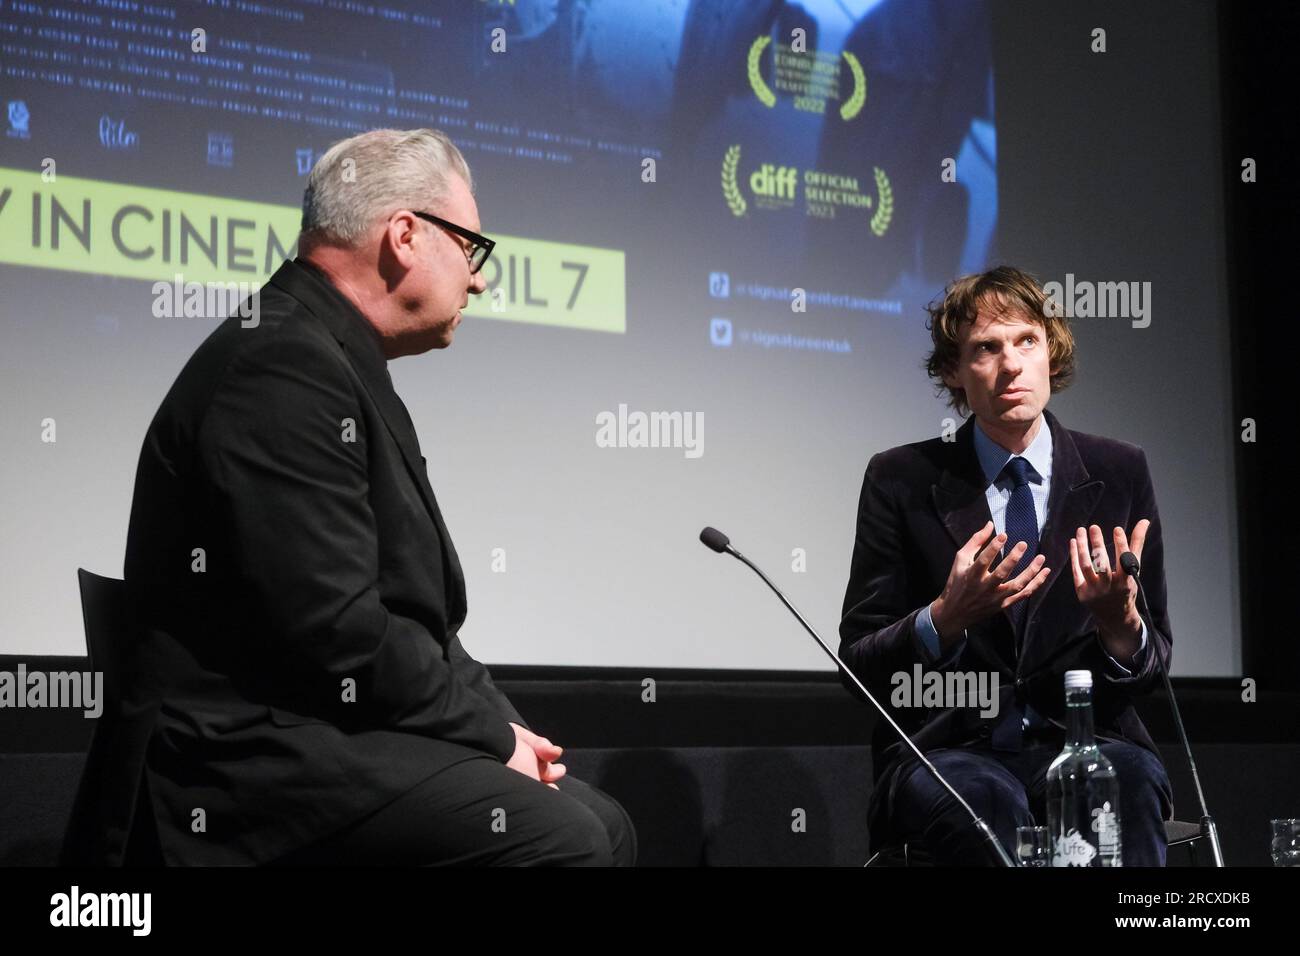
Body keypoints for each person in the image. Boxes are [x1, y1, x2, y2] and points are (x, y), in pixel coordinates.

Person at [118, 128, 635, 866]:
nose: (480, 280)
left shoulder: (327, 356)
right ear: (403, 236)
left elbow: (418, 624)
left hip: (326, 729)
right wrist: (486, 739)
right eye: (471, 250)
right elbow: (338, 628)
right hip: (254, 758)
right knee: (565, 838)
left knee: (601, 820)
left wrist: (511, 733)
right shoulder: (282, 365)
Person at [839, 265, 1173, 865]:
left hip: (1088, 737)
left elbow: (1153, 662)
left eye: (1027, 341)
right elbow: (859, 666)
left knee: (1123, 783)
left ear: (1052, 351)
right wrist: (942, 618)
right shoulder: (901, 479)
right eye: (986, 349)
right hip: (950, 750)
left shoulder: (1120, 471)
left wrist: (1119, 623)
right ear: (953, 371)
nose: (1012, 364)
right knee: (987, 802)